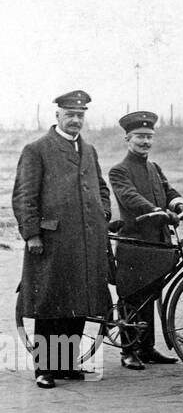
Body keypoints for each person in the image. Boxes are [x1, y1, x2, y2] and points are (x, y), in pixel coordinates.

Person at [14, 91, 113, 388]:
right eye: (70, 114)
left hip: (86, 243)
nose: (75, 120)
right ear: (57, 116)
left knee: (78, 302)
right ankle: (45, 369)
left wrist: (102, 212)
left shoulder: (89, 150)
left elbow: (101, 188)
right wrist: (32, 233)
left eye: (80, 115)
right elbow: (24, 196)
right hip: (52, 241)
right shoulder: (37, 149)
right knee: (50, 304)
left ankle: (67, 365)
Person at [108, 110, 183, 370]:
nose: (145, 142)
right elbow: (130, 197)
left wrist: (177, 202)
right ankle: (129, 351)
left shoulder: (154, 167)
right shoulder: (119, 170)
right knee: (132, 296)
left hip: (157, 241)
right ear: (127, 138)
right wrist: (154, 210)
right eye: (140, 136)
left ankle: (148, 347)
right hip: (135, 243)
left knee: (151, 293)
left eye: (149, 137)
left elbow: (167, 189)